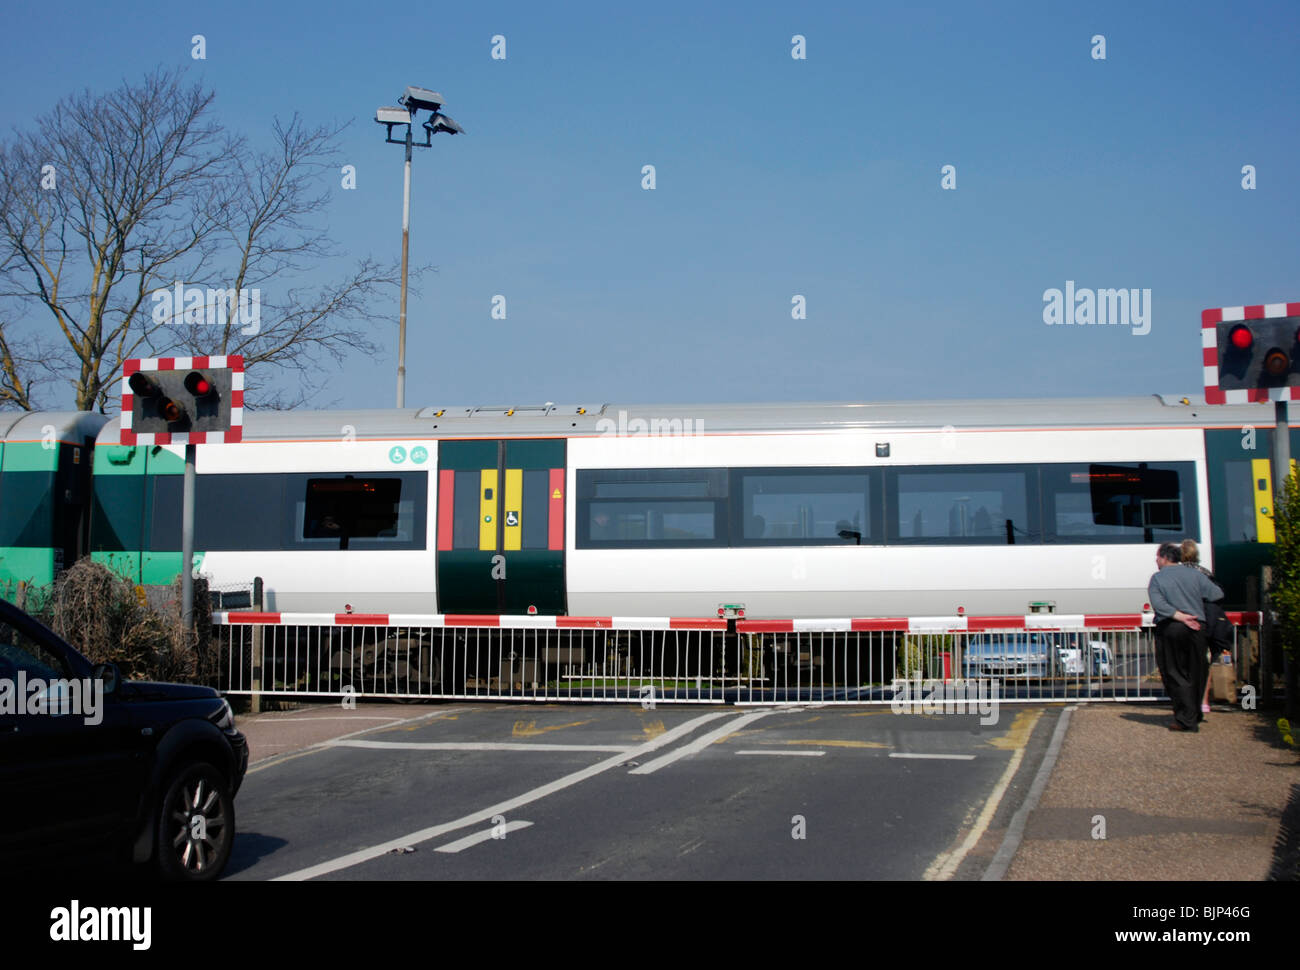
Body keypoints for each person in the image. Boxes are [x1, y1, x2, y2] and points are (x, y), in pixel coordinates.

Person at [1147, 542, 1223, 732]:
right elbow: (1216, 594)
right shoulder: (1196, 575)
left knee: (1174, 672)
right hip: (1198, 627)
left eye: (1157, 557)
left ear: (1164, 558)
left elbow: (1159, 604)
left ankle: (1184, 718)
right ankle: (1195, 713)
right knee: (1196, 671)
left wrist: (1181, 616)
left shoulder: (1157, 578)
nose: (1156, 560)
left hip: (1172, 627)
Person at [1180, 538, 1230, 716]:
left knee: (1186, 663)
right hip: (1206, 622)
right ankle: (1204, 701)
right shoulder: (1205, 573)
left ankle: (1188, 700)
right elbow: (1217, 596)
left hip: (1185, 621)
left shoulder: (1177, 573)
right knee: (1204, 663)